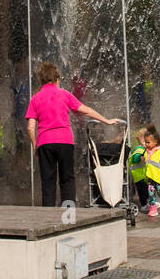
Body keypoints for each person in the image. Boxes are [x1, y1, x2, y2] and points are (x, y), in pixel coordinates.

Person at [26, 61, 121, 207]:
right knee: (67, 180)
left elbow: (31, 128)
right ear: (57, 79)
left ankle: (47, 220)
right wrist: (106, 121)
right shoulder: (65, 94)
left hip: (45, 142)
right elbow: (86, 110)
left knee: (48, 182)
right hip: (65, 141)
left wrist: (35, 146)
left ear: (41, 80)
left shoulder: (35, 98)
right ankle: (68, 217)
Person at [129, 127, 149, 209]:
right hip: (139, 176)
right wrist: (139, 158)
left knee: (147, 190)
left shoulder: (145, 149)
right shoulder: (139, 149)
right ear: (140, 140)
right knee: (142, 191)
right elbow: (135, 158)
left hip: (144, 175)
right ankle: (144, 205)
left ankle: (149, 203)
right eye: (144, 141)